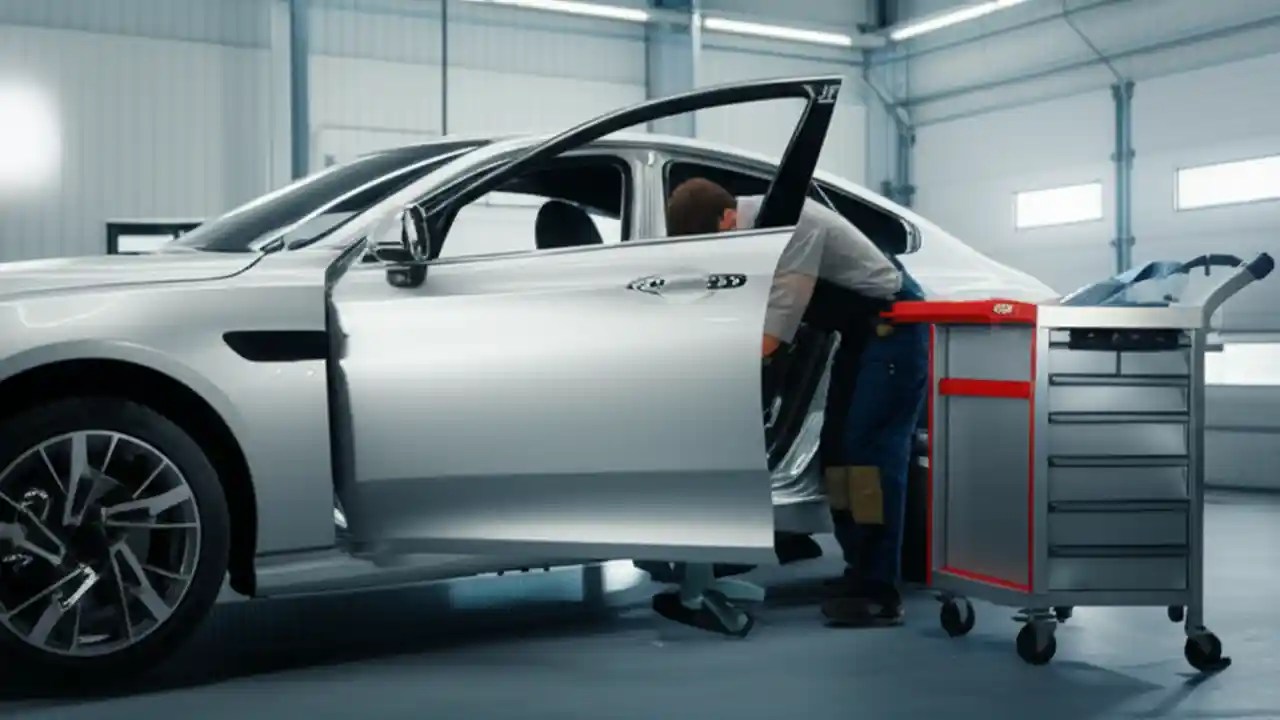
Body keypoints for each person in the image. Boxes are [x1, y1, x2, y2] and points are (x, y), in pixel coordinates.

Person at [665, 178, 929, 628]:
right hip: (860, 337)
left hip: (894, 329)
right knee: (838, 456)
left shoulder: (790, 226)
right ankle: (859, 568)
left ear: (728, 220)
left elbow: (772, 336)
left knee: (870, 457)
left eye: (714, 242)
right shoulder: (748, 226)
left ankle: (881, 589)